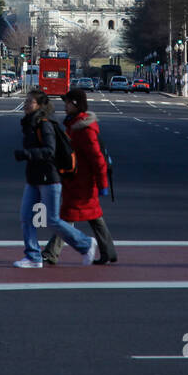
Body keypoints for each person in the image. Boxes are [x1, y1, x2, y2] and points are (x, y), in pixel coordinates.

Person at [13, 90, 97, 269]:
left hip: (49, 177)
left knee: (52, 220)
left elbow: (49, 151)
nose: (26, 104)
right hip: (34, 177)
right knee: (26, 217)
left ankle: (85, 243)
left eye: (30, 101)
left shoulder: (44, 124)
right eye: (26, 101)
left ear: (40, 106)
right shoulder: (31, 123)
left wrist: (27, 154)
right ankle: (33, 256)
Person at [43, 88, 117, 265]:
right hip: (76, 181)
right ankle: (109, 252)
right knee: (92, 217)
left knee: (67, 217)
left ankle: (52, 252)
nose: (65, 106)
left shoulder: (84, 129)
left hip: (82, 183)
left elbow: (97, 158)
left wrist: (102, 184)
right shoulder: (74, 124)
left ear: (75, 104)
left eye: (67, 103)